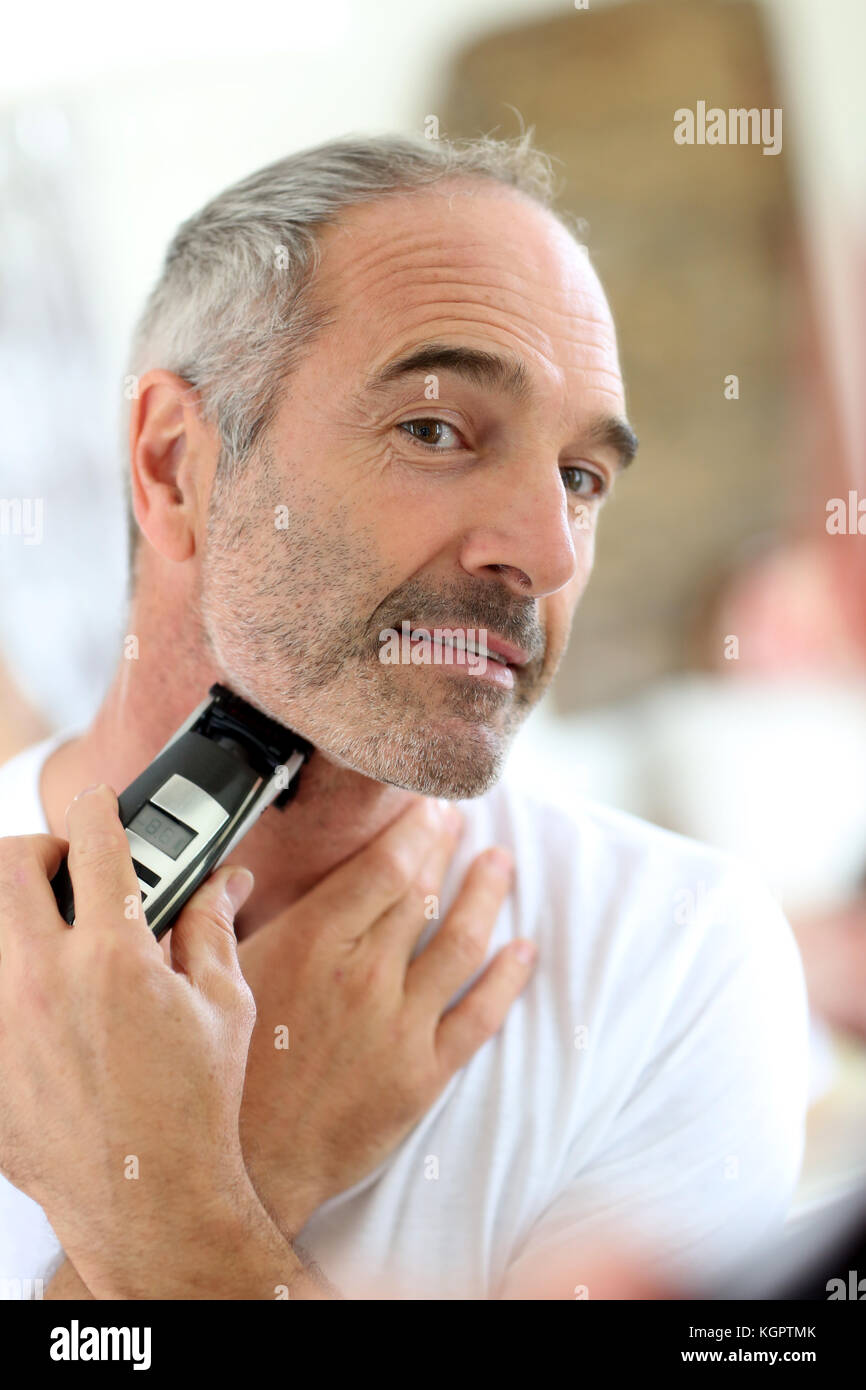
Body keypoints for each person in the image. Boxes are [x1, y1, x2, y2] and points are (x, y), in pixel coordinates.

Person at [0, 133, 808, 1300]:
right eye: (435, 430)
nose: (541, 553)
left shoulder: (671, 958)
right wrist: (250, 1164)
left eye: (581, 479)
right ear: (175, 466)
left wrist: (182, 1214)